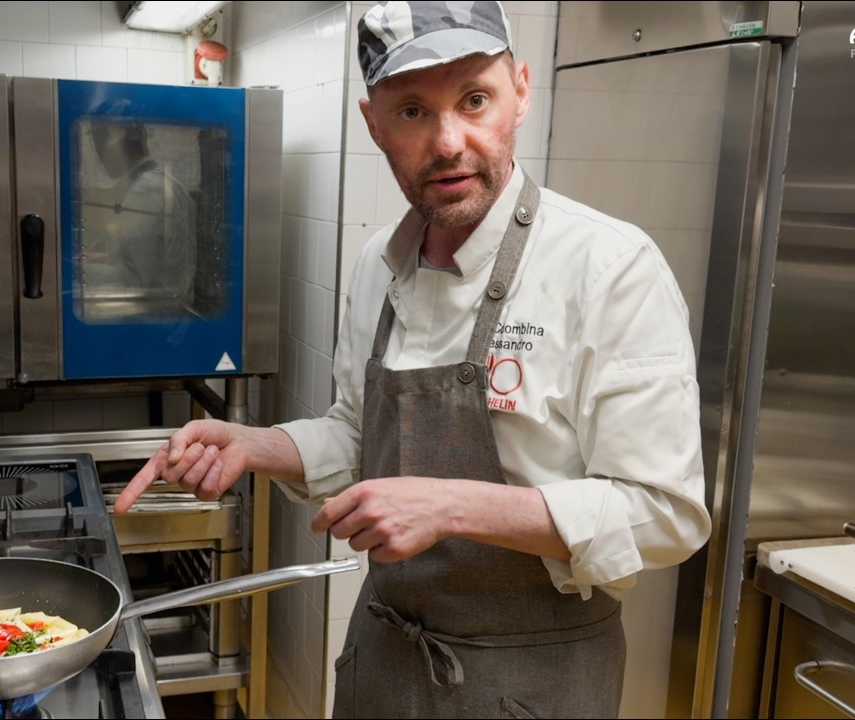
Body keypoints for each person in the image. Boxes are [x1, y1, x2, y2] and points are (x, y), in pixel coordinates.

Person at [114, 2, 712, 717]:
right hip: (386, 665)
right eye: (412, 113)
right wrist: (256, 444)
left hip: (533, 682)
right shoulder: (380, 263)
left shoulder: (610, 269)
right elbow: (358, 435)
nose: (449, 141)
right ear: (373, 124)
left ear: (522, 91)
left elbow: (666, 514)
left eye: (475, 100)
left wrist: (452, 504)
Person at [79, 114, 197, 322]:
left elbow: (135, 283)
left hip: (150, 323)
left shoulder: (147, 192)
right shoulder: (156, 185)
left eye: (99, 138)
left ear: (120, 139)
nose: (97, 151)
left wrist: (78, 270)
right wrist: (104, 258)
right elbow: (145, 259)